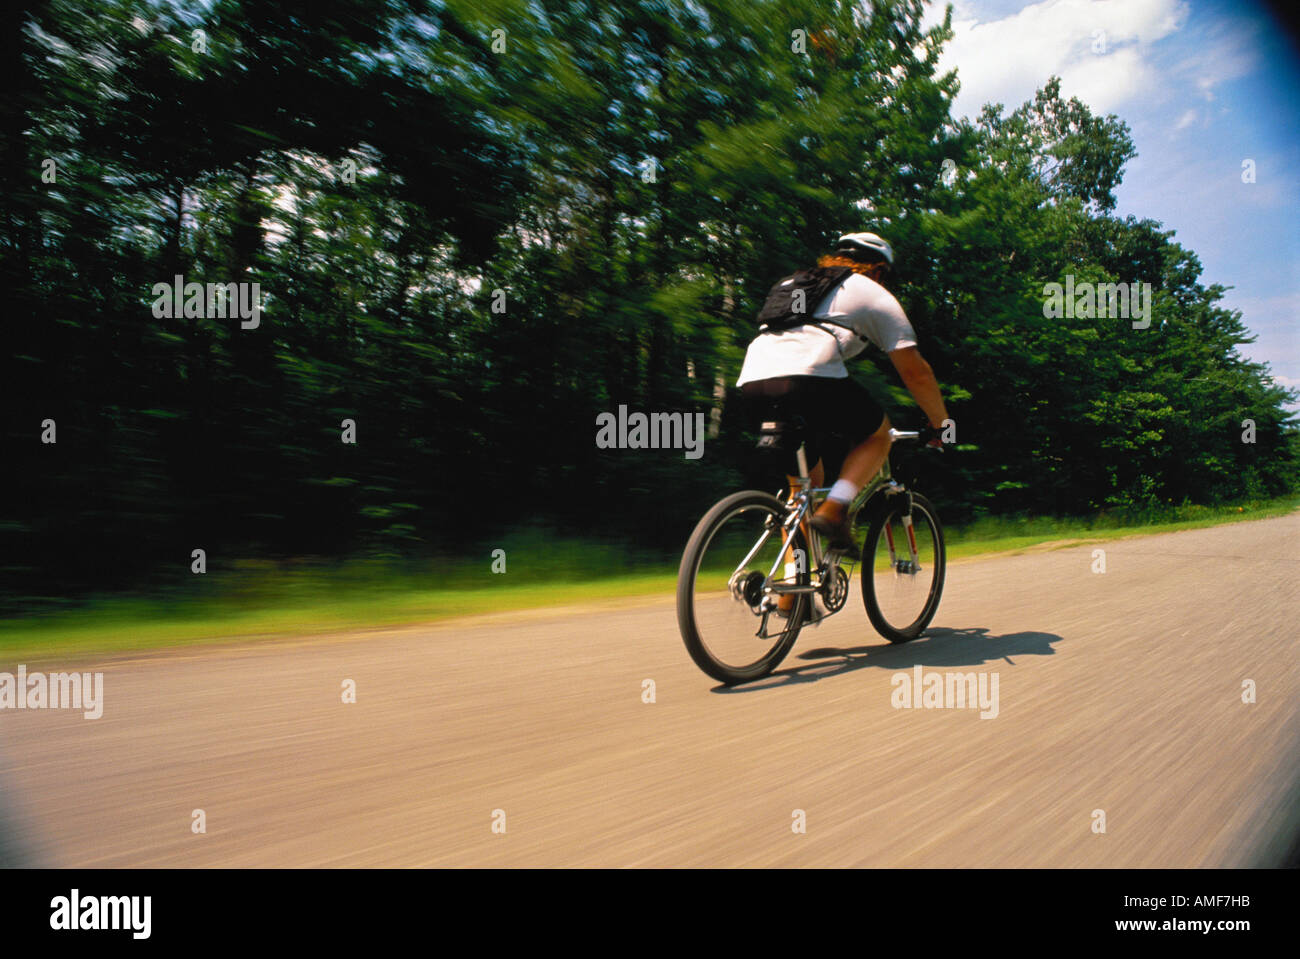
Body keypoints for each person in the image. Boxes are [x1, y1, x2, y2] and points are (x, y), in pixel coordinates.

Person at [736, 232, 949, 610]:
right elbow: (916, 372)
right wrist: (941, 424)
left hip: (752, 380)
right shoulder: (871, 291)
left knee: (803, 489)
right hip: (807, 377)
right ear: (880, 270)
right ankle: (836, 511)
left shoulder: (802, 283)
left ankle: (790, 595)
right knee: (877, 435)